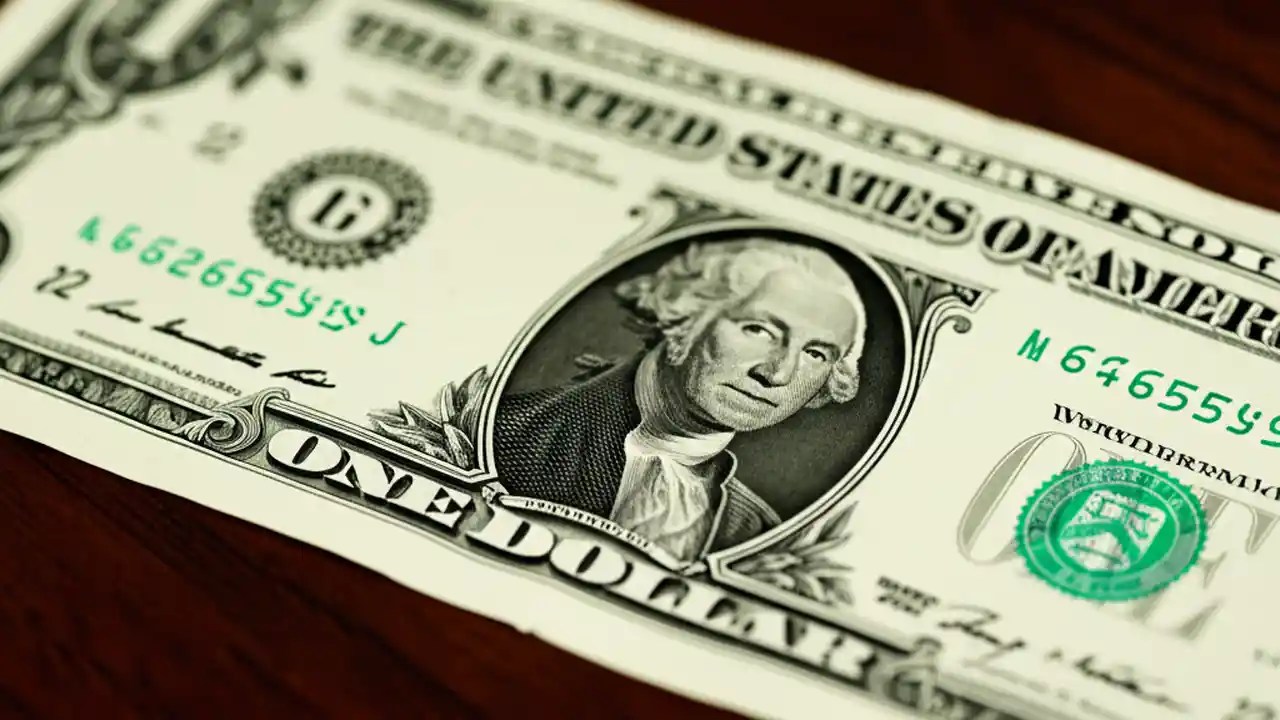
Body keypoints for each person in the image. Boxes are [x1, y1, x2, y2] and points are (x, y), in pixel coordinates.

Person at [494, 238, 868, 562]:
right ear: (687, 318)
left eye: (816, 354)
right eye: (760, 330)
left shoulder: (756, 530)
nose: (778, 374)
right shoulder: (509, 436)